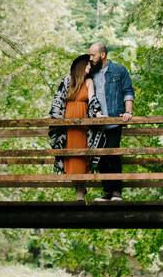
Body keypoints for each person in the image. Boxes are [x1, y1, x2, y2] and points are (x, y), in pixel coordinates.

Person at [48, 54, 103, 201]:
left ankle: (80, 193)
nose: (90, 68)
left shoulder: (89, 82)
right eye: (88, 65)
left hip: (83, 126)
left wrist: (97, 114)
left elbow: (92, 99)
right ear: (81, 67)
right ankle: (79, 190)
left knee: (82, 159)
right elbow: (57, 100)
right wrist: (54, 118)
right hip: (67, 127)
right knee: (70, 160)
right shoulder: (67, 81)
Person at [87, 42, 135, 201]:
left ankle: (116, 193)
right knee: (99, 156)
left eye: (93, 55)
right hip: (96, 124)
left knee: (112, 154)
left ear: (103, 55)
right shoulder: (90, 74)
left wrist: (128, 112)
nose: (90, 58)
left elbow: (128, 91)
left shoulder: (119, 70)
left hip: (114, 120)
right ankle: (107, 192)